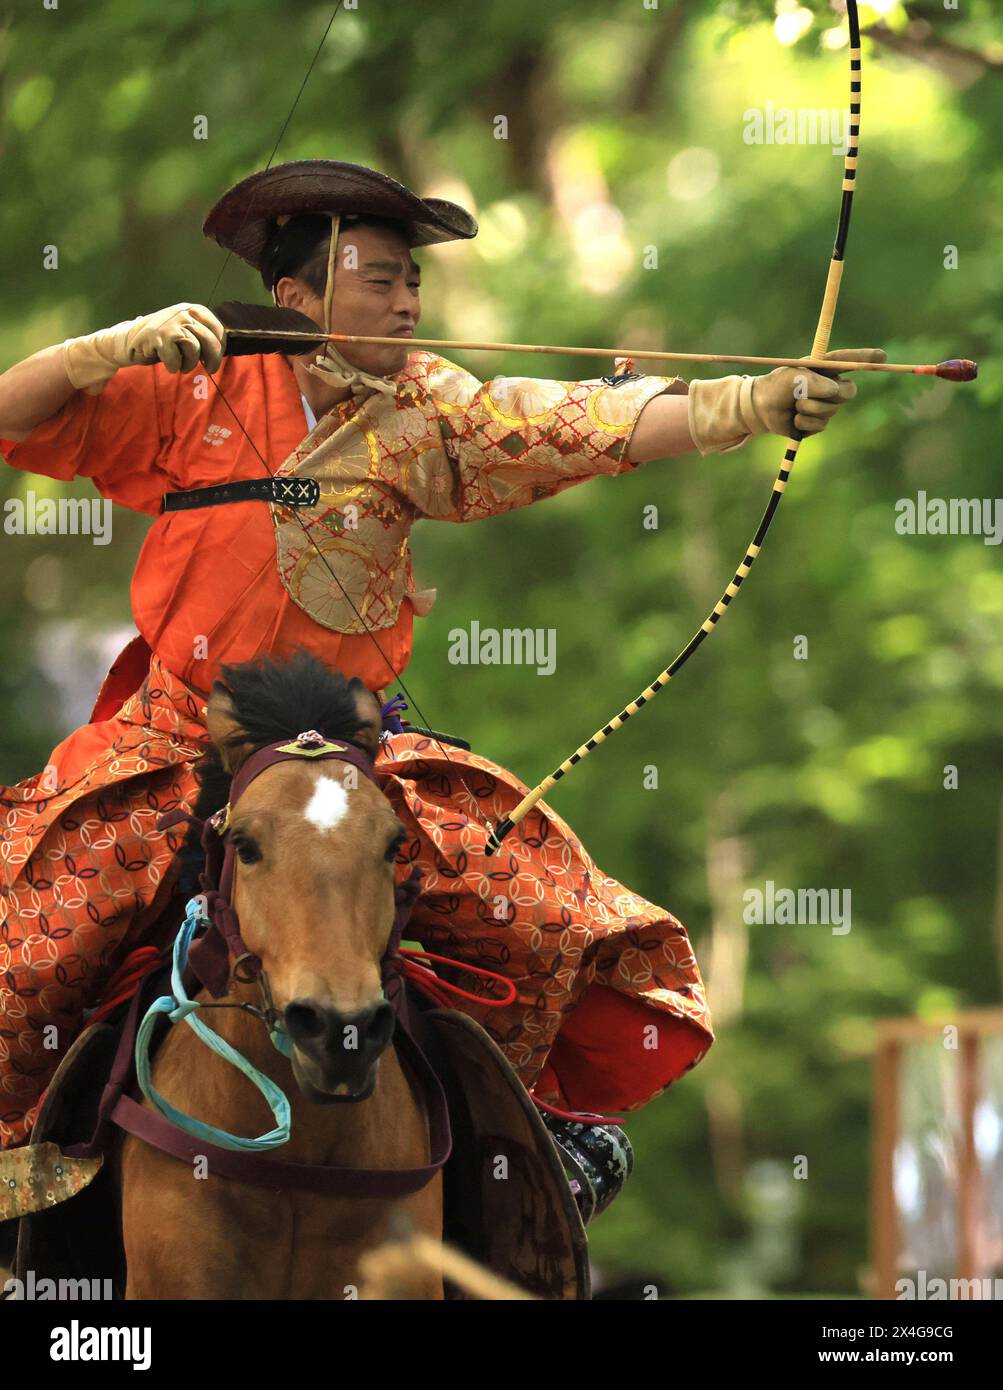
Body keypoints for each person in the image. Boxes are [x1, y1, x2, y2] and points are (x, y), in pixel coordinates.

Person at [0, 160, 882, 1216]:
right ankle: (27, 1169)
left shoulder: (424, 407)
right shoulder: (194, 385)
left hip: (347, 752)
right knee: (33, 938)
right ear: (297, 297)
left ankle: (532, 1142)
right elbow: (11, 414)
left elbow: (564, 420)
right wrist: (95, 353)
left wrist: (747, 402)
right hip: (181, 739)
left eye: (411, 282)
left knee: (544, 913)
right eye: (378, 280)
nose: (407, 301)